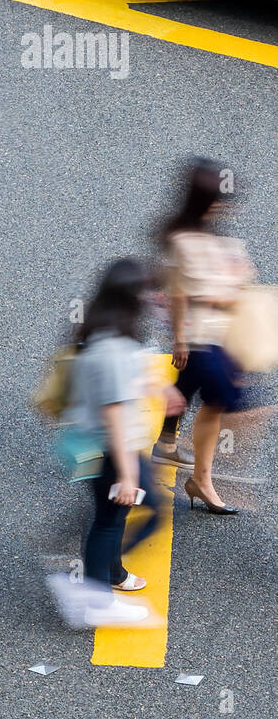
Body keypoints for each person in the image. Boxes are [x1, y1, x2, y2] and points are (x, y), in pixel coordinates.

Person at [55, 258, 181, 627]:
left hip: (110, 443)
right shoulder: (110, 346)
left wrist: (159, 385)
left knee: (115, 516)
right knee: (122, 517)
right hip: (110, 448)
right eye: (150, 292)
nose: (156, 297)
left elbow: (128, 373)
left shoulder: (111, 329)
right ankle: (95, 597)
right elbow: (113, 413)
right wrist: (127, 475)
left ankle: (109, 574)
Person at [154, 158, 254, 514]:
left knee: (191, 386)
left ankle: (171, 447)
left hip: (216, 335)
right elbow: (179, 293)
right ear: (205, 202)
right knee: (226, 399)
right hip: (201, 336)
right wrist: (180, 339)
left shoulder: (212, 237)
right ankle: (203, 478)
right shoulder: (184, 242)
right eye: (218, 200)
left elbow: (238, 280)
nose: (224, 206)